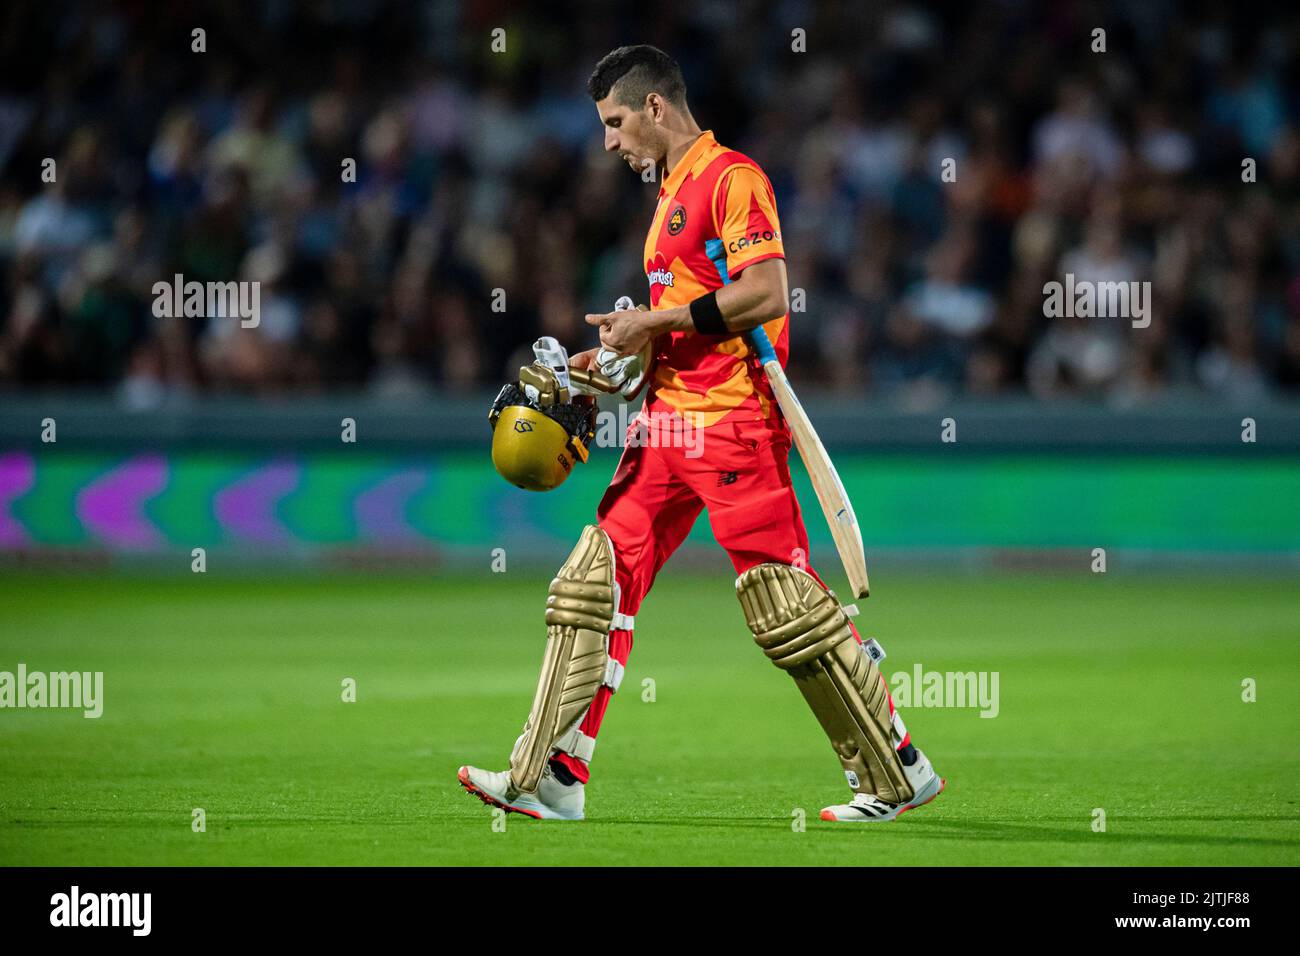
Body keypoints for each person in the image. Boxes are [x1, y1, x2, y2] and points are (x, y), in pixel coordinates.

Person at [459, 45, 943, 822]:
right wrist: (628, 347)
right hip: (666, 424)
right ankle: (552, 775)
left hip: (732, 426)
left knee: (784, 605)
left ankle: (897, 771)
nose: (609, 142)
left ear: (655, 108)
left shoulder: (732, 178)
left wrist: (658, 319)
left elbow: (766, 292)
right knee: (594, 582)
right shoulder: (669, 193)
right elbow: (687, 318)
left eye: (615, 123)